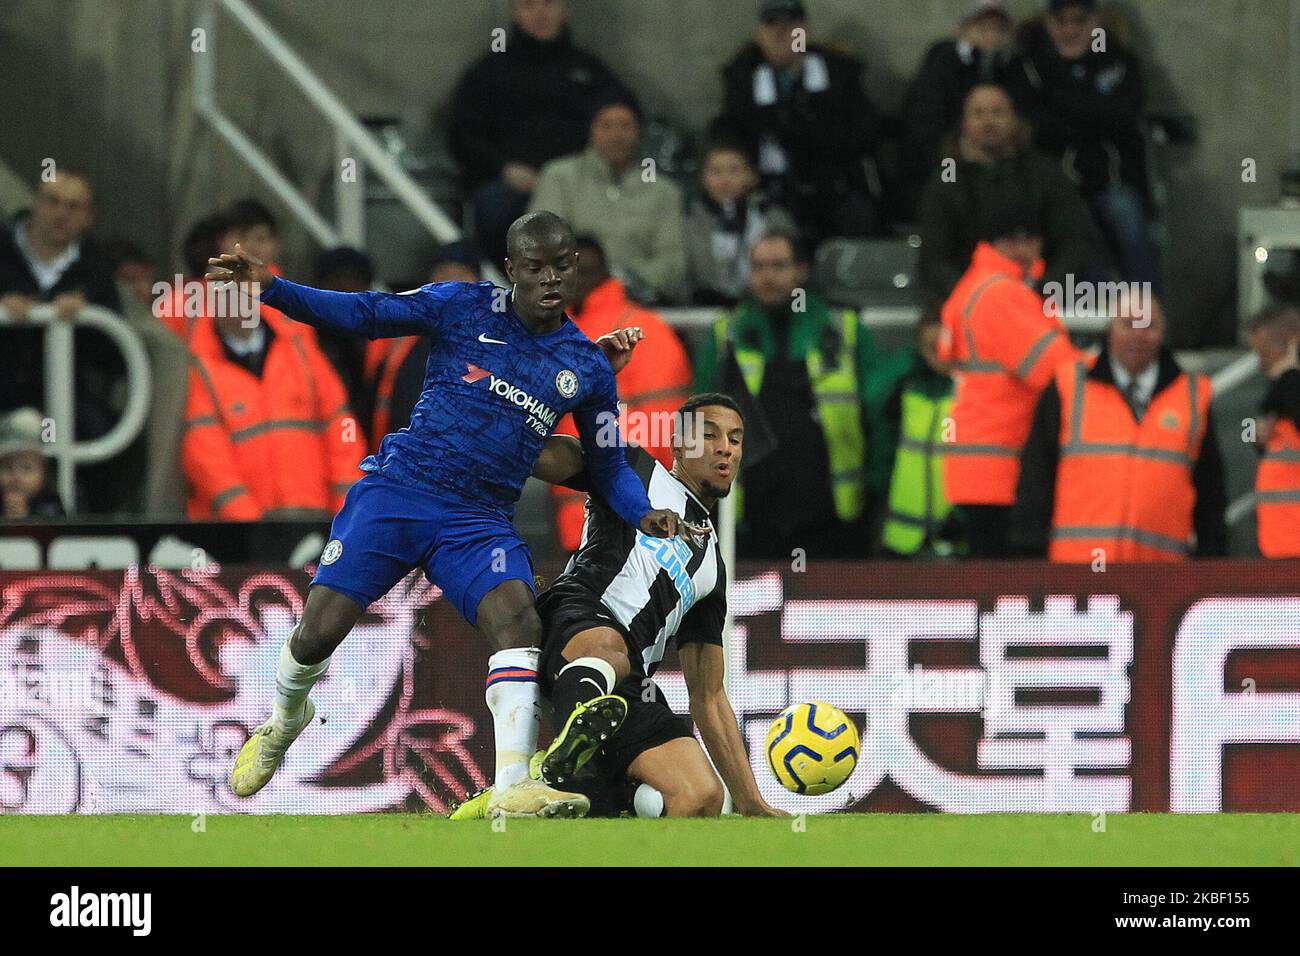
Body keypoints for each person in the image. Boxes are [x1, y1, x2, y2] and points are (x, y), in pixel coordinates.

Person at [208, 211, 697, 818]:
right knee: (317, 632)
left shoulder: (587, 366)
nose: (550, 278)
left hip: (479, 518)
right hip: (401, 490)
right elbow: (364, 314)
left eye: (561, 267)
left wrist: (642, 509)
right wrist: (274, 287)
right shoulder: (461, 305)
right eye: (535, 267)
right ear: (512, 269)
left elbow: (606, 462)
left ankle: (514, 783)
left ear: (575, 269)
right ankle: (284, 722)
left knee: (517, 617)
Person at [456, 394, 784, 819]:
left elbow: (709, 693)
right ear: (679, 444)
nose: (726, 448)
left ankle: (564, 780)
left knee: (700, 798)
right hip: (575, 619)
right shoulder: (634, 469)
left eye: (736, 440)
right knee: (609, 649)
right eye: (710, 435)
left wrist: (750, 801)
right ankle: (571, 751)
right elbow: (558, 457)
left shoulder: (712, 569)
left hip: (627, 685)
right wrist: (504, 431)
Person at [694, 231, 883, 560]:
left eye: (779, 266)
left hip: (832, 518)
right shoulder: (726, 334)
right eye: (759, 267)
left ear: (802, 270)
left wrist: (876, 490)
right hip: (749, 520)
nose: (768, 277)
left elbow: (877, 415)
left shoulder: (844, 329)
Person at [1012, 295, 1227, 560]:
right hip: (1077, 573)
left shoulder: (1193, 395)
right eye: (1127, 324)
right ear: (1110, 330)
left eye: (1148, 326)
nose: (1138, 335)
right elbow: (1037, 472)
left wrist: (1212, 559)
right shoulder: (1067, 386)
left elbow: (1210, 490)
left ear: (1163, 333)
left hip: (1159, 578)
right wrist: (1028, 547)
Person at [937, 212, 1082, 557]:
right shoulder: (1002, 294)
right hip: (1003, 473)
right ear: (990, 243)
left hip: (982, 471)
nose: (1023, 248)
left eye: (1030, 237)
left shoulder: (976, 286)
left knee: (992, 592)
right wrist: (1103, 366)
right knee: (1014, 595)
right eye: (1010, 239)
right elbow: (1056, 372)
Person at [448, 0, 632, 264]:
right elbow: (462, 138)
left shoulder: (589, 70)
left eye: (549, 4)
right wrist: (505, 169)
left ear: (565, 10)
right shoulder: (489, 72)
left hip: (580, 182)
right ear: (515, 11)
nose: (540, 14)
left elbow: (623, 114)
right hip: (512, 187)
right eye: (529, 5)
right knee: (494, 206)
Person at [548, 235, 693, 551]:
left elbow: (663, 426)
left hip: (627, 520)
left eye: (579, 271)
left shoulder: (638, 329)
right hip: (601, 515)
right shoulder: (557, 330)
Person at [179, 278, 362, 521]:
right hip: (242, 537)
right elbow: (208, 458)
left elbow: (343, 430)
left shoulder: (302, 354)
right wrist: (251, 526)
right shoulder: (199, 370)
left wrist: (345, 514)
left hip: (317, 520)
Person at [0, 168, 126, 513]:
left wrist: (84, 321)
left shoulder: (96, 269)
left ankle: (96, 537)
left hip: (60, 404)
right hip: (3, 394)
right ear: (35, 204)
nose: (61, 214)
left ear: (88, 217)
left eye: (74, 206)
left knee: (104, 434)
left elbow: (113, 361)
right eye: (53, 201)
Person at [1008, 0, 1158, 285]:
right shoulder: (1028, 65)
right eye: (1062, 21)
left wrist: (1061, 103)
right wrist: (1092, 111)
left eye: (1079, 20)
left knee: (1129, 223)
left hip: (1110, 177)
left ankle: (1147, 316)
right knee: (1081, 238)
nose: (1071, 29)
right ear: (1048, 22)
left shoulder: (1120, 62)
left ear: (1096, 21)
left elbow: (1123, 118)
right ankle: (1090, 320)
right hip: (1053, 183)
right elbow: (1035, 127)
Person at [916, 82, 1099, 309]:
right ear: (964, 123)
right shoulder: (947, 179)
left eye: (997, 112)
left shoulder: (1046, 172)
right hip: (972, 304)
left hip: (1041, 299)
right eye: (978, 113)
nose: (988, 121)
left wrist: (1042, 288)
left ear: (1014, 120)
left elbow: (1076, 239)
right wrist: (975, 295)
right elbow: (934, 257)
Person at [716, 0, 881, 244]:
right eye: (772, 26)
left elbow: (865, 133)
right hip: (767, 190)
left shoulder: (838, 74)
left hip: (832, 187)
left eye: (790, 27)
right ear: (759, 35)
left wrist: (808, 125)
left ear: (806, 32)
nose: (781, 35)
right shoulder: (743, 79)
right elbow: (733, 134)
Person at [530, 95, 687, 303]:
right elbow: (540, 246)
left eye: (625, 126)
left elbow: (673, 263)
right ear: (591, 129)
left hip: (640, 306)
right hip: (570, 305)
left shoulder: (664, 191)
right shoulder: (559, 177)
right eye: (606, 125)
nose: (616, 135)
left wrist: (621, 283)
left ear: (639, 131)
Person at [899, 0, 1014, 218]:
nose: (990, 36)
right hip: (949, 161)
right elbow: (924, 130)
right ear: (964, 29)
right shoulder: (942, 66)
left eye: (997, 29)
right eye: (982, 28)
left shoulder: (1012, 69)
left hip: (1001, 166)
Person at [879, 314, 965, 558]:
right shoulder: (907, 389)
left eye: (948, 346)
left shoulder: (973, 394)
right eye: (932, 348)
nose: (941, 354)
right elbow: (874, 401)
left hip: (955, 536)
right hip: (902, 536)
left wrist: (962, 516)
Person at [684, 136, 797, 305]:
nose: (725, 180)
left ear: (752, 176)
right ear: (703, 178)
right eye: (716, 171)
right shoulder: (688, 220)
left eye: (734, 170)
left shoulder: (773, 218)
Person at [1247, 304, 1300, 557]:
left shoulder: (1287, 391)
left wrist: (1289, 372)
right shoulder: (1273, 400)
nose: (1260, 361)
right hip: (1278, 544)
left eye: (1264, 351)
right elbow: (1250, 438)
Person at [0, 407, 64, 520]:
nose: (16, 477)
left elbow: (53, 532)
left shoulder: (50, 501)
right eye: (7, 467)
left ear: (44, 473)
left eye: (27, 468)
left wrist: (25, 519)